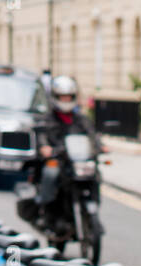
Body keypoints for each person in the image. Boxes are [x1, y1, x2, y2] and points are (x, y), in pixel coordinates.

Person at [34, 75, 97, 214]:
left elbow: (91, 134)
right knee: (51, 173)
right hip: (58, 158)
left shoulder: (80, 118)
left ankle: (92, 202)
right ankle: (46, 206)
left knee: (95, 173)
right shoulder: (49, 118)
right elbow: (42, 134)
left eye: (68, 97)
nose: (66, 100)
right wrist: (45, 147)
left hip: (75, 160)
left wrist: (98, 146)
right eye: (63, 97)